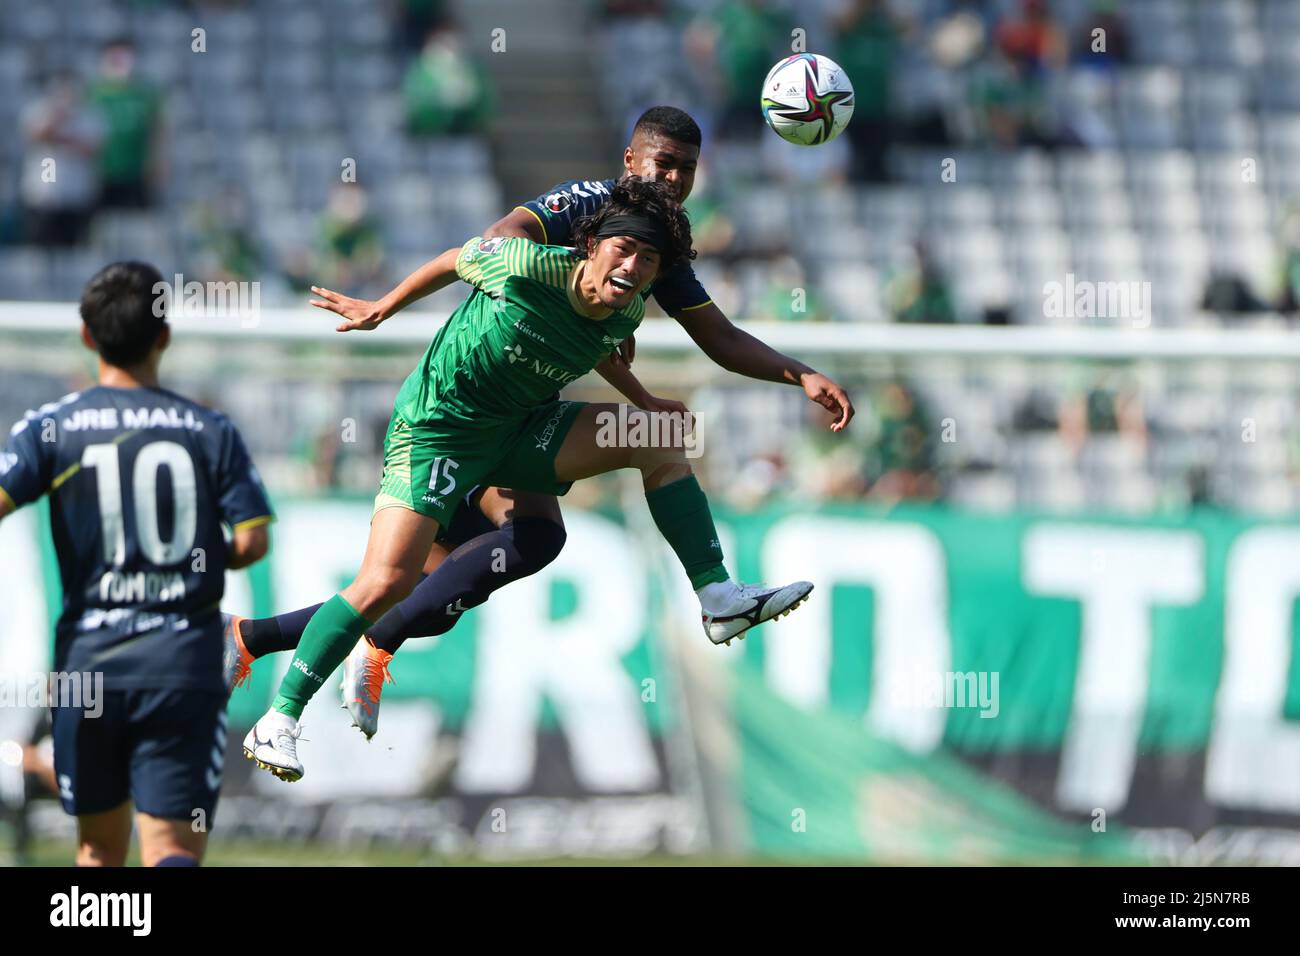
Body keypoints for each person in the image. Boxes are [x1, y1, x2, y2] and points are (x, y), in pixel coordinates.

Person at [226, 106, 855, 740]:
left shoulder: (651, 258)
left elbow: (710, 336)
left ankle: (717, 597)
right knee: (400, 579)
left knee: (629, 462)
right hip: (449, 420)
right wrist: (392, 306)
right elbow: (494, 241)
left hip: (524, 421)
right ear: (630, 162)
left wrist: (795, 373)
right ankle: (305, 671)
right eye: (663, 164)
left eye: (686, 170)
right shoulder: (583, 214)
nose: (672, 180)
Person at [0, 262, 273, 865]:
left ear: (86, 336)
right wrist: (193, 560)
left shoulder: (52, 428)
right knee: (171, 848)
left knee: (97, 853)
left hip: (87, 671)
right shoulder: (208, 429)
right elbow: (253, 541)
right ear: (164, 337)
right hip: (180, 663)